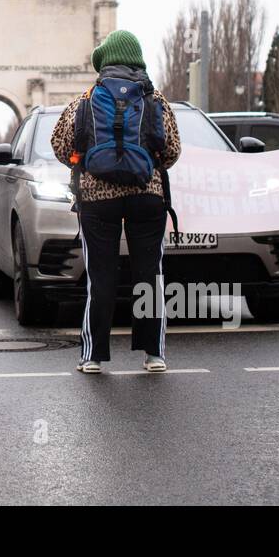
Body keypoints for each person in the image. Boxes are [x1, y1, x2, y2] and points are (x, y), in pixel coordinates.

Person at [51, 30, 181, 374]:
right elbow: (172, 151)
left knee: (101, 275)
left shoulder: (87, 98)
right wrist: (146, 167)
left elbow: (61, 144)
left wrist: (91, 166)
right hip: (146, 196)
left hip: (97, 199)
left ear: (104, 62)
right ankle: (154, 355)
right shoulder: (155, 99)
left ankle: (92, 356)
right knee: (149, 274)